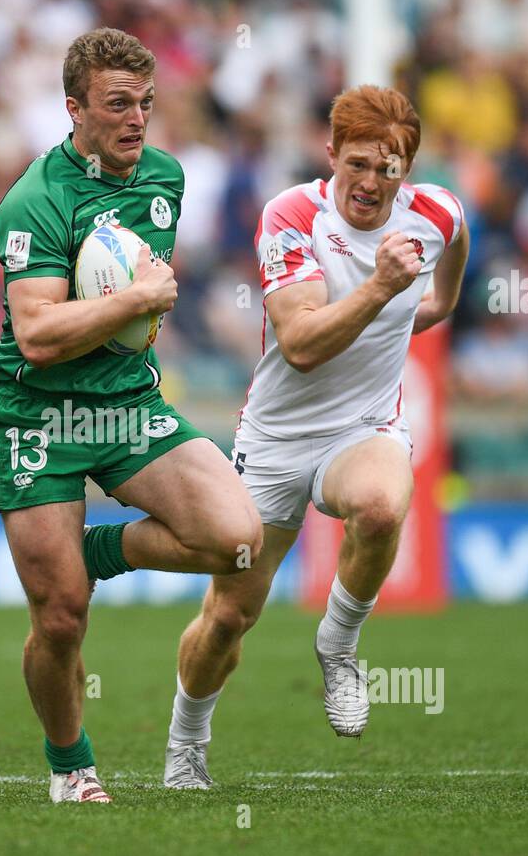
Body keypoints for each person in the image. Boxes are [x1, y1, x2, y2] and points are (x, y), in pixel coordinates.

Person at [0, 28, 261, 804]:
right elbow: (35, 335)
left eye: (145, 102)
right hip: (36, 417)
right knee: (62, 621)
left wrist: (135, 313)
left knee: (236, 541)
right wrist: (135, 299)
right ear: (74, 109)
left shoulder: (166, 176)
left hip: (128, 405)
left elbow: (138, 309)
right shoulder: (34, 200)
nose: (137, 119)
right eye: (117, 105)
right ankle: (71, 766)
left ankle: (95, 552)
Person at [162, 85, 470, 789]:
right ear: (331, 153)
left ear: (407, 170)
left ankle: (338, 643)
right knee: (229, 618)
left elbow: (456, 240)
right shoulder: (292, 215)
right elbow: (300, 345)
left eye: (386, 168)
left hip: (364, 427)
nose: (368, 181)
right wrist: (385, 290)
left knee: (382, 506)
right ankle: (186, 743)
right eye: (356, 163)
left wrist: (440, 304)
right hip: (274, 440)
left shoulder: (436, 213)